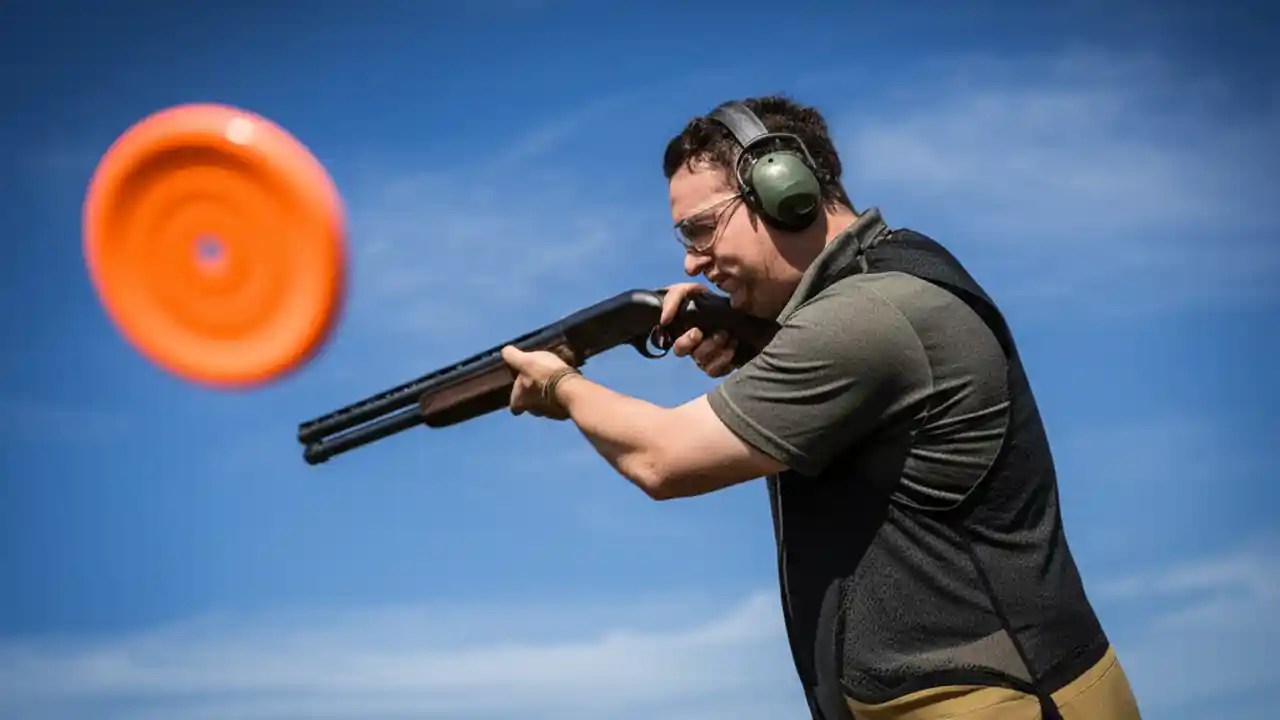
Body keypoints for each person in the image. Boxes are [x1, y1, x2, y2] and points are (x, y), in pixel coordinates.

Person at [499, 95, 1142, 720]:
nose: (692, 261)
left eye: (700, 229)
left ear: (783, 190)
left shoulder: (866, 315)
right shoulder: (886, 278)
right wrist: (757, 354)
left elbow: (661, 459)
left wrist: (561, 385)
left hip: (999, 703)